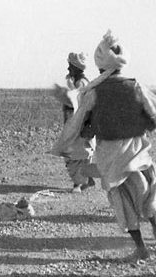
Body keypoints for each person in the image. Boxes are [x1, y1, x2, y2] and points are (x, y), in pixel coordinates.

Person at [51, 31, 156, 260]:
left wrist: (62, 145)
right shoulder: (136, 86)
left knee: (123, 200)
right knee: (147, 193)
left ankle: (141, 248)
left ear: (99, 65)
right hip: (138, 149)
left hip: (110, 153)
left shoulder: (93, 92)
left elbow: (78, 122)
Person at [56, 52, 96, 192]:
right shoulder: (77, 82)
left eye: (70, 66)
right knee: (77, 154)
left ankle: (79, 183)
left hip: (79, 125)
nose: (68, 69)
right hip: (76, 124)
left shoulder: (81, 84)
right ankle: (84, 179)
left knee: (75, 154)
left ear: (76, 67)